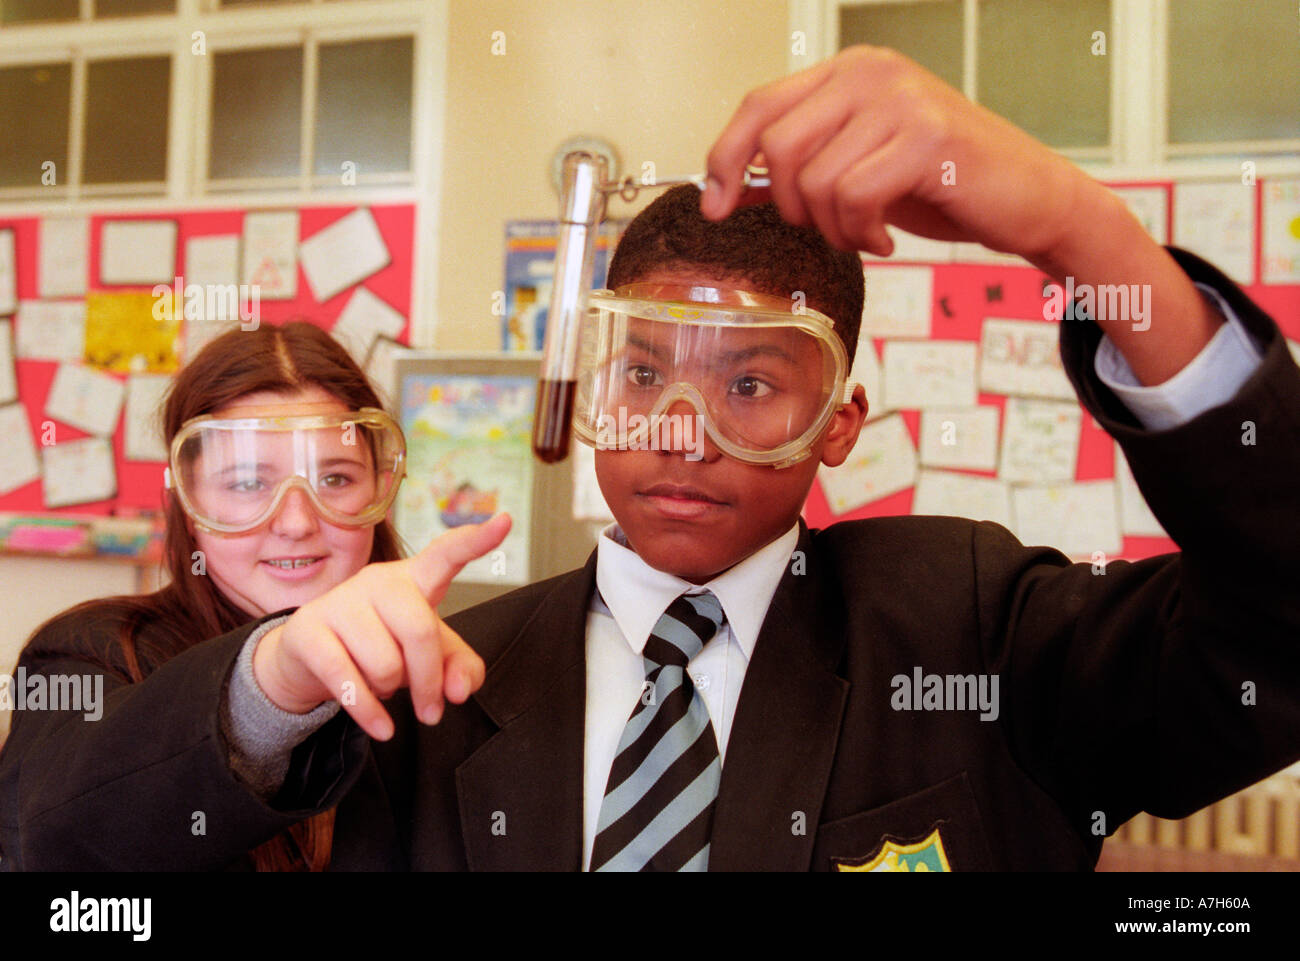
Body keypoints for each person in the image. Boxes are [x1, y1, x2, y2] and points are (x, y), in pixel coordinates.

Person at [7, 46, 1299, 871]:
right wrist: (271, 675)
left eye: (749, 382)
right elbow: (63, 856)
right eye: (643, 374)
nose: (685, 430)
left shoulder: (973, 632)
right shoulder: (445, 693)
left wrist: (1087, 238)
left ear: (841, 420)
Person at [0, 322, 507, 870]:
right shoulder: (83, 652)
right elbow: (50, 847)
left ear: (381, 490)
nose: (295, 522)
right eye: (246, 484)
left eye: (335, 479)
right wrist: (273, 681)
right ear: (188, 506)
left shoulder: (448, 676)